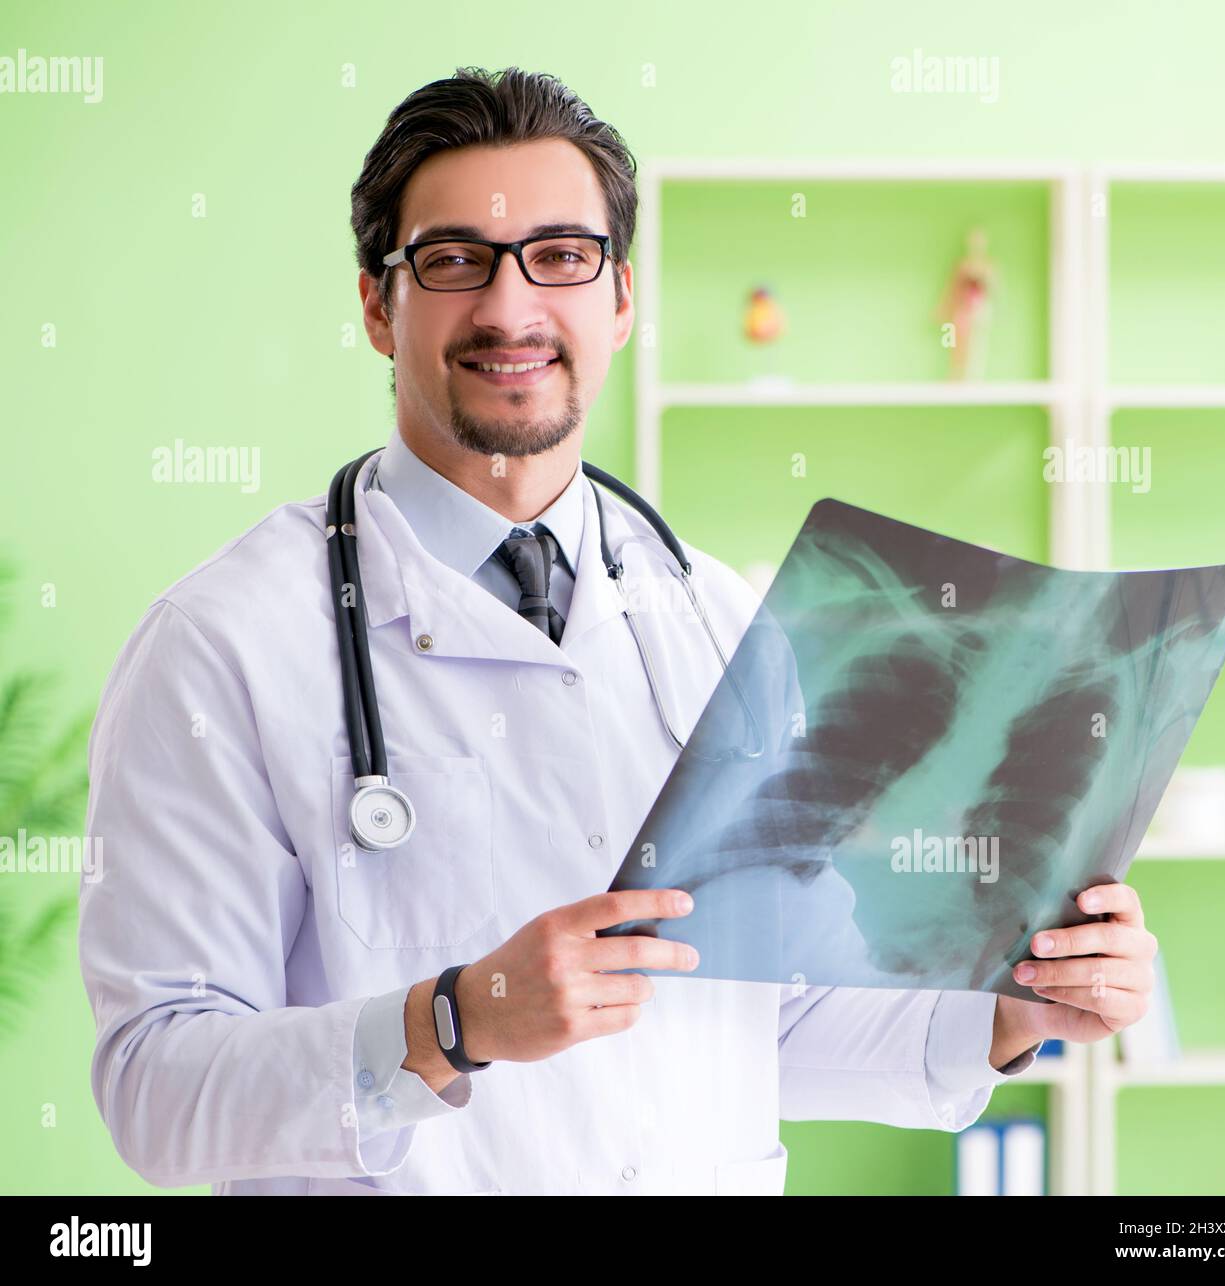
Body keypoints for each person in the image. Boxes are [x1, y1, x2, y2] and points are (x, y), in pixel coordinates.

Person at [78, 66, 1157, 1196]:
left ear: (622, 298)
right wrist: (450, 1017)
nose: (509, 307)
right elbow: (156, 1087)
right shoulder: (223, 644)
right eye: (452, 260)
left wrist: (1011, 1009)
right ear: (375, 305)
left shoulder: (719, 618)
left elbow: (763, 1023)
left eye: (560, 255)